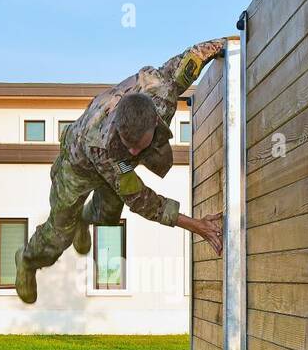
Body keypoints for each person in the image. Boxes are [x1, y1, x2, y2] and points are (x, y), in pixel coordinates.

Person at [14, 39, 227, 303]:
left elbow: (195, 55)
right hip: (77, 165)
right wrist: (198, 226)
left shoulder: (160, 88)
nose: (135, 153)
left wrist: (226, 44)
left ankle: (84, 218)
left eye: (139, 146)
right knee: (59, 236)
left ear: (154, 121)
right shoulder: (103, 146)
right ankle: (27, 260)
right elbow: (144, 202)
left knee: (108, 220)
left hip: (114, 162)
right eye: (130, 146)